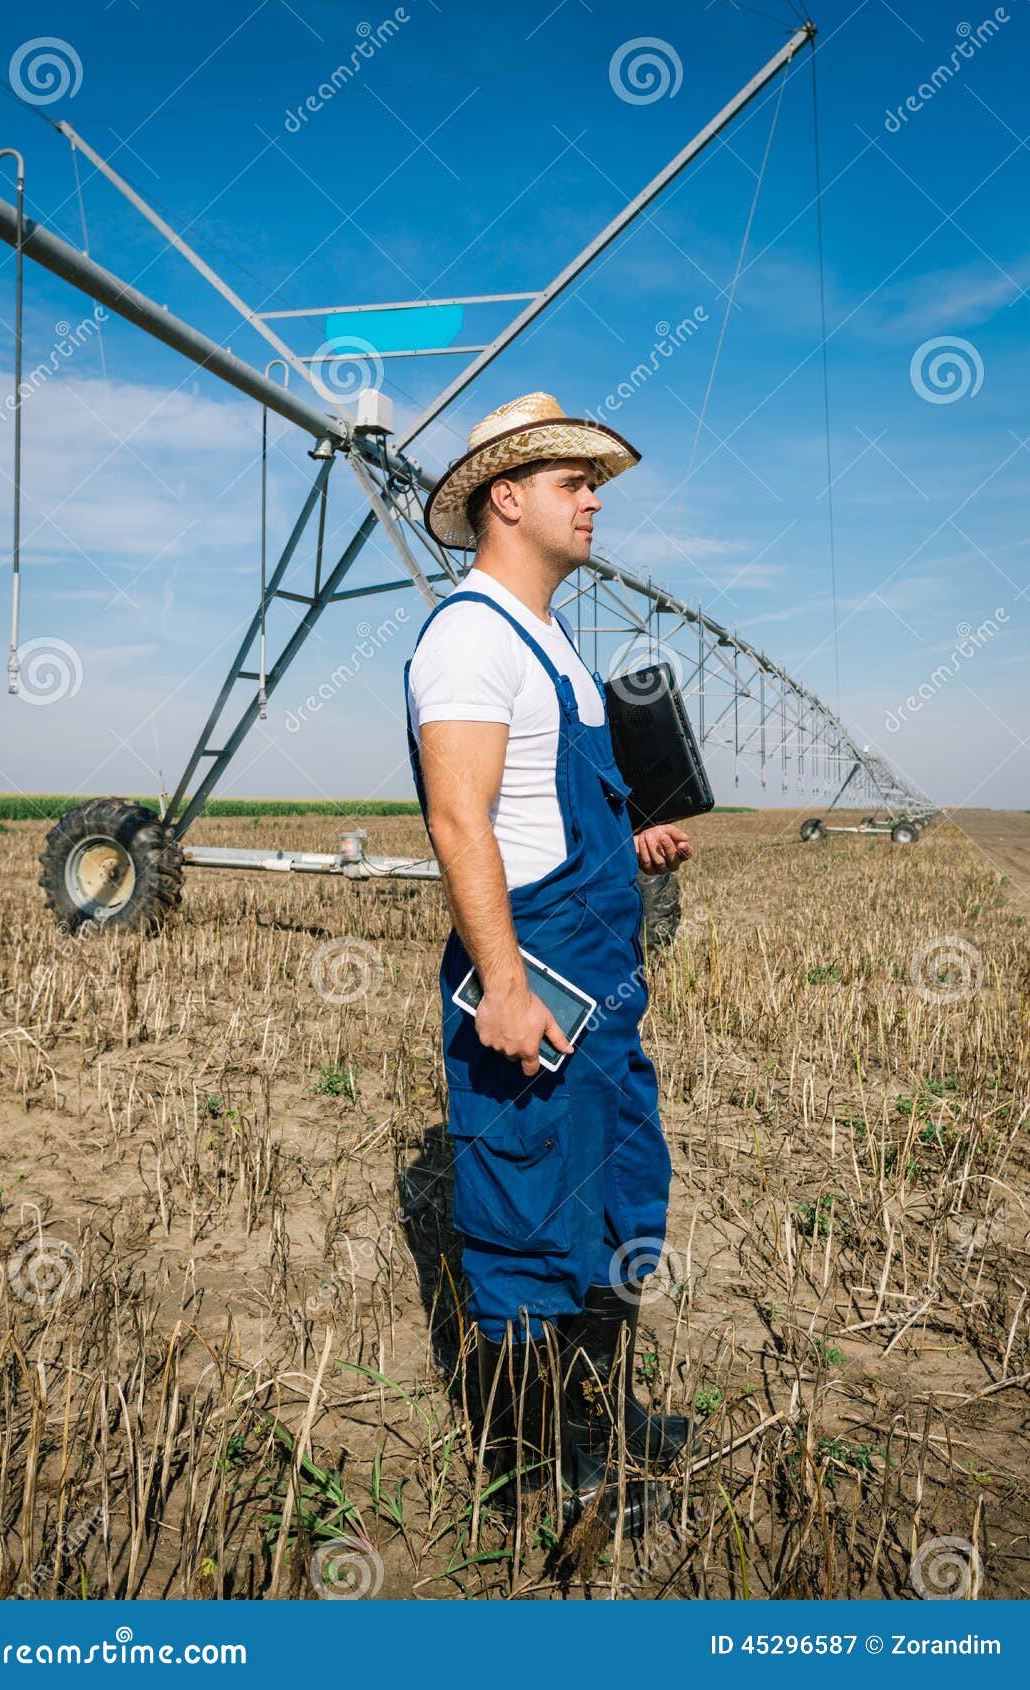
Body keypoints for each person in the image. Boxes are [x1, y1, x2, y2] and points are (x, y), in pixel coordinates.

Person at [404, 392, 694, 1533]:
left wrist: (630, 843)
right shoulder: (469, 634)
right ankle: (532, 1476)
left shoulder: (553, 645)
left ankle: (602, 1424)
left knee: (615, 1203)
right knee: (525, 1218)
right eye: (570, 479)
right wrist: (508, 985)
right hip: (537, 982)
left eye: (594, 480)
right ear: (503, 497)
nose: (591, 497)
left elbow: (534, 815)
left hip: (599, 988)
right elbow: (457, 821)